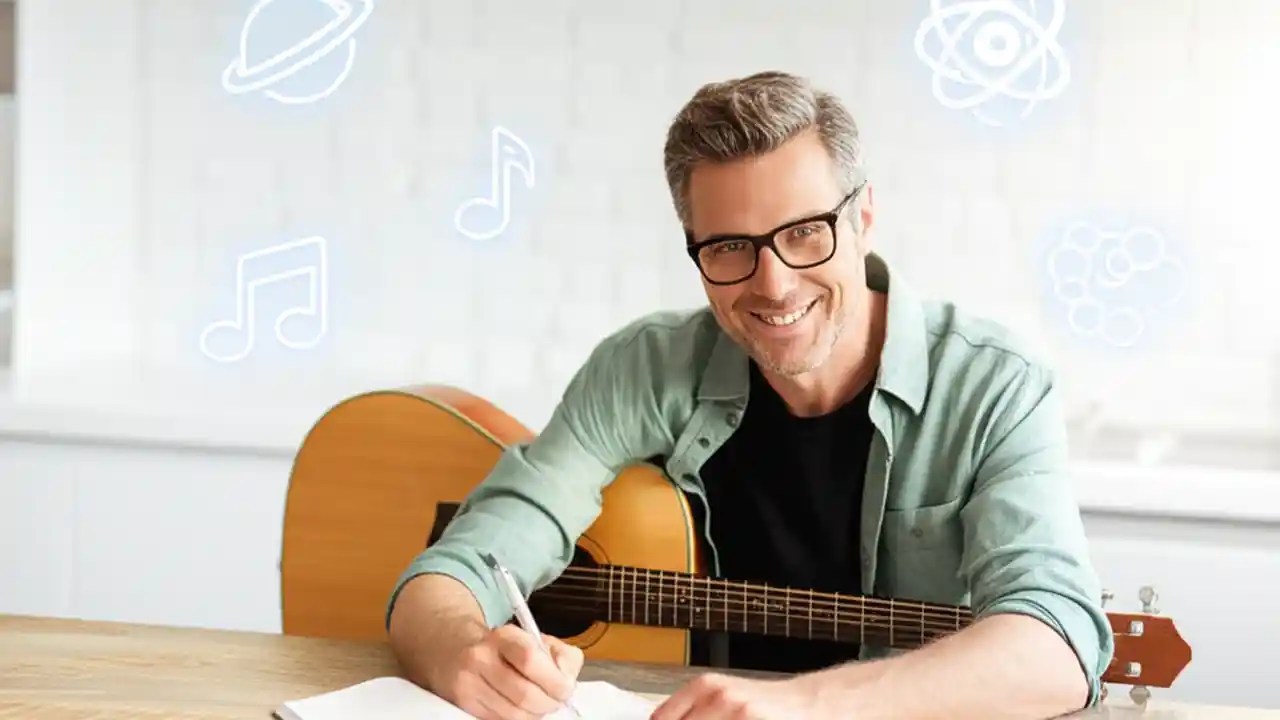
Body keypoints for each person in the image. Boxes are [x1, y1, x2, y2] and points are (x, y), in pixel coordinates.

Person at [386, 71, 1114, 720]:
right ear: (694, 248)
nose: (773, 284)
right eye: (730, 246)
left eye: (805, 233)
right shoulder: (642, 367)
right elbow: (463, 564)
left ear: (862, 217)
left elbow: (1058, 644)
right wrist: (462, 655)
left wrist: (802, 706)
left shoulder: (995, 383)